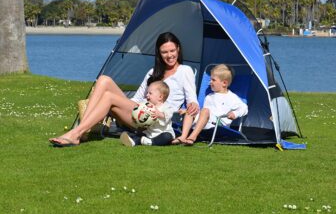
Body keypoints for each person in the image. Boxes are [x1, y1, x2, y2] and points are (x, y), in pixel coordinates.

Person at [49, 32, 199, 147]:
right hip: (138, 112)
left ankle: (76, 133)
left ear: (178, 49)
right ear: (159, 53)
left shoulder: (185, 71)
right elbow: (137, 98)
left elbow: (192, 99)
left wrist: (193, 104)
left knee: (109, 97)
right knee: (103, 80)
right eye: (164, 52)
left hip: (155, 119)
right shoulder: (153, 72)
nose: (169, 55)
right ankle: (83, 130)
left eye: (172, 50)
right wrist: (124, 105)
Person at [172, 64, 248, 146]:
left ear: (224, 83)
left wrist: (235, 114)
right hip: (203, 124)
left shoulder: (231, 97)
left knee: (205, 111)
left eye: (213, 80)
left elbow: (244, 108)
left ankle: (192, 137)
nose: (209, 82)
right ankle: (183, 136)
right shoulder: (209, 96)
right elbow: (203, 114)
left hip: (218, 125)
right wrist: (187, 111)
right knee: (192, 110)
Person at [120, 80, 174, 146]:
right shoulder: (145, 106)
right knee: (139, 134)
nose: (147, 95)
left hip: (162, 133)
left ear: (160, 97)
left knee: (167, 137)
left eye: (150, 93)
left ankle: (151, 142)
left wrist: (159, 114)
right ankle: (133, 141)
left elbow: (168, 115)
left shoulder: (166, 107)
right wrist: (137, 117)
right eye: (147, 93)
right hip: (149, 133)